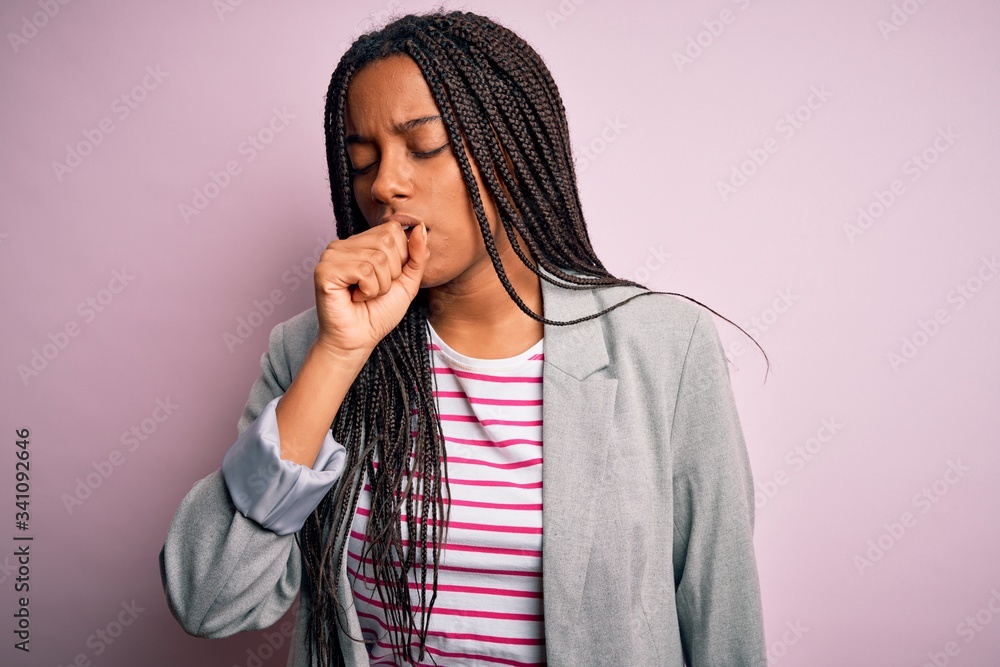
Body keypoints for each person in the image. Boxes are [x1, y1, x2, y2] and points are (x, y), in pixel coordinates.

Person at [159, 10, 768, 667]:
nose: (385, 185)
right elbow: (209, 598)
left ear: (511, 148)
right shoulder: (310, 351)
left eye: (423, 146)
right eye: (362, 161)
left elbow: (721, 617)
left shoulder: (663, 348)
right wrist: (338, 357)